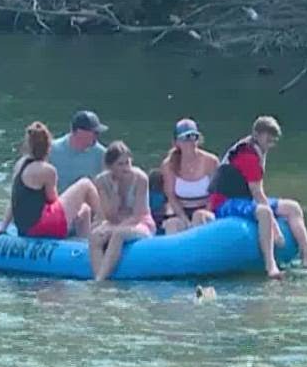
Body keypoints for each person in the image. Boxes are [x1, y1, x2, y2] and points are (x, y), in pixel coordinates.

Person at [209, 115, 307, 279]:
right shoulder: (247, 156)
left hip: (245, 200)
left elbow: (255, 193)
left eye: (272, 140)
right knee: (264, 212)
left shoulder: (257, 149)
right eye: (267, 139)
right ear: (256, 135)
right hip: (225, 203)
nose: (270, 144)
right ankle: (271, 266)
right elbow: (257, 192)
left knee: (293, 208)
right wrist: (276, 230)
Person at [0, 121, 101, 239]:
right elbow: (53, 200)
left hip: (24, 228)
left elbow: (14, 199)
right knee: (85, 184)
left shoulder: (19, 165)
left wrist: (2, 227)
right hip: (42, 227)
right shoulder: (48, 170)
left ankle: (84, 245)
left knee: (84, 209)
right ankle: (105, 223)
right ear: (48, 147)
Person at [88, 141, 155, 281]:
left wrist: (116, 228)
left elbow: (138, 215)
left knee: (118, 234)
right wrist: (114, 192)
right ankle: (99, 277)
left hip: (141, 223)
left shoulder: (140, 178)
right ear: (110, 166)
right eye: (120, 164)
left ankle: (100, 280)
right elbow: (109, 215)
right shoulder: (101, 181)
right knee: (95, 236)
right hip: (114, 222)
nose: (126, 168)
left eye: (128, 162)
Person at [159, 118, 219, 234]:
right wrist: (184, 218)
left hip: (206, 209)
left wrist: (207, 210)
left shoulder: (210, 161)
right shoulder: (168, 165)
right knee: (173, 225)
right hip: (180, 210)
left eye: (194, 137)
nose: (190, 142)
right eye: (186, 138)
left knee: (199, 216)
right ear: (177, 142)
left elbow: (215, 194)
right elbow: (171, 196)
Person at [50, 110, 109, 192]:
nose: (97, 136)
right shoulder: (51, 150)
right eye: (95, 132)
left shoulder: (102, 154)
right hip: (56, 201)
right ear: (79, 132)